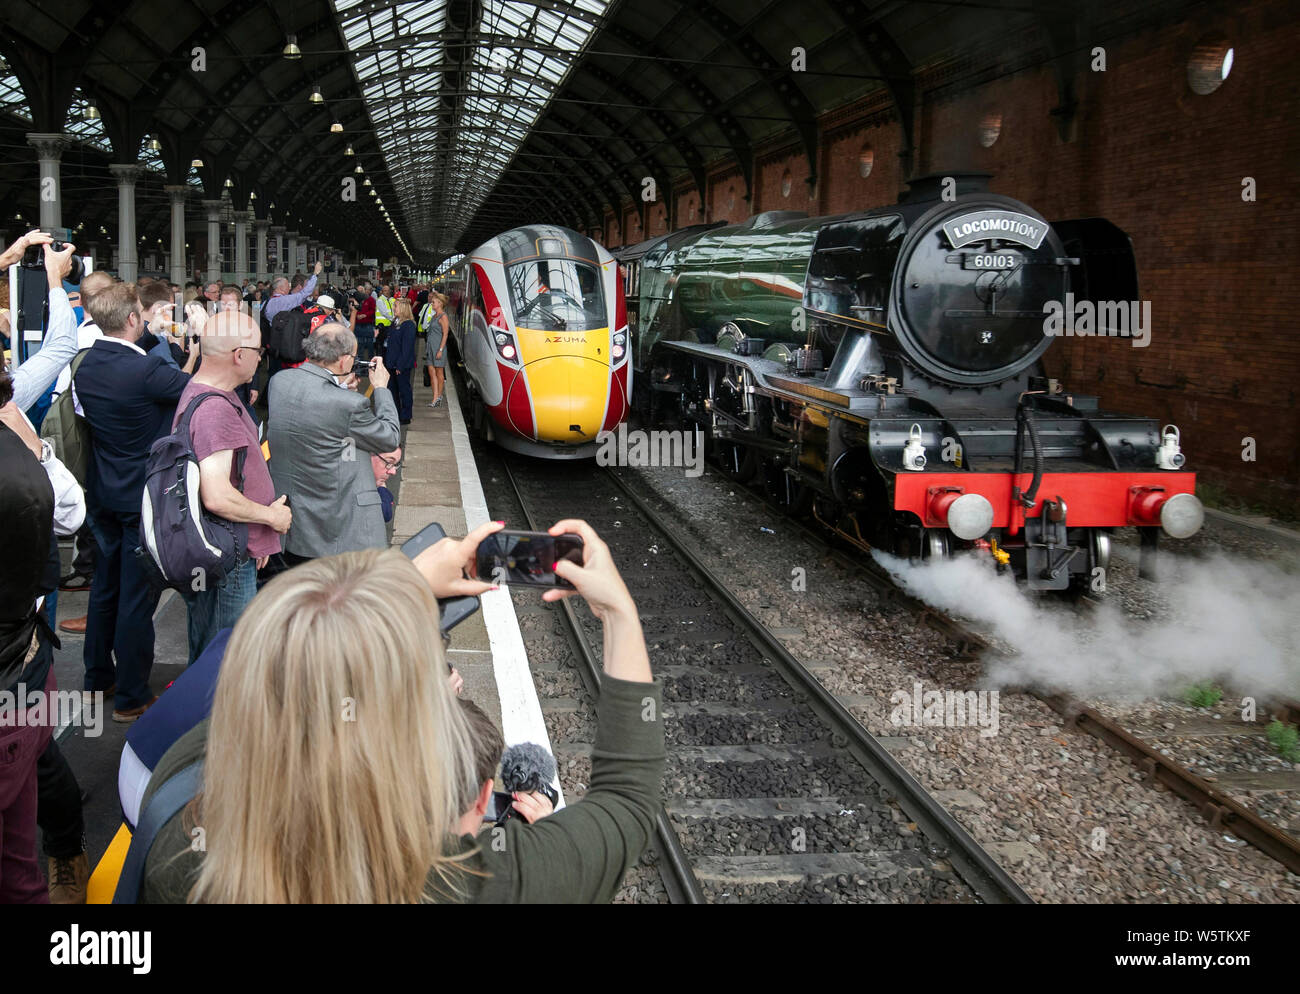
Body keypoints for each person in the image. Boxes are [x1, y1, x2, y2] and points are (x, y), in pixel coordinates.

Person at [137, 517, 660, 903]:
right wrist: (619, 612)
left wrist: (397, 585)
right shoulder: (462, 884)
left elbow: (295, 687)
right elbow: (628, 804)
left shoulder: (182, 821)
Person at [75, 282, 190, 722]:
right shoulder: (145, 371)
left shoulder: (85, 365)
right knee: (137, 596)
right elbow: (196, 388)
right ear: (132, 320)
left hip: (102, 489)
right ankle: (131, 696)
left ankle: (96, 680)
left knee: (105, 587)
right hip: (139, 494)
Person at [178, 312, 292, 665]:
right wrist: (270, 517)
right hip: (229, 555)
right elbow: (217, 495)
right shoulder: (216, 410)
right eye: (259, 350)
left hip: (231, 546)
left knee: (212, 640)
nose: (262, 357)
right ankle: (216, 717)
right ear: (239, 354)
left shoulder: (206, 393)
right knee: (227, 656)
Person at [267, 321, 398, 563]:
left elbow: (315, 410)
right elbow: (389, 437)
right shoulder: (348, 404)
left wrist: (338, 387)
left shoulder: (279, 382)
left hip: (294, 524)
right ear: (344, 360)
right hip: (338, 530)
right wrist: (380, 388)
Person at [386, 298, 416, 424]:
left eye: (396, 306)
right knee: (392, 390)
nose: (394, 308)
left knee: (404, 390)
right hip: (391, 363)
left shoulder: (408, 325)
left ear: (403, 308)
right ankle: (396, 413)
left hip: (400, 364)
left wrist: (400, 365)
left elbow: (407, 348)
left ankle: (405, 415)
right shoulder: (395, 322)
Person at [425, 292, 451, 409]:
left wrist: (440, 349)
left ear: (440, 303)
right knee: (431, 373)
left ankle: (439, 396)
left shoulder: (443, 317)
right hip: (430, 348)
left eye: (434, 302)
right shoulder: (434, 316)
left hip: (438, 348)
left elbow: (445, 334)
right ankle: (435, 397)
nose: (431, 303)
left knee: (439, 372)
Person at [353, 281, 376, 362]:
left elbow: (373, 310)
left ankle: (371, 359)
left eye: (361, 290)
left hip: (368, 324)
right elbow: (352, 310)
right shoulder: (355, 300)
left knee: (370, 343)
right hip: (358, 324)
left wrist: (365, 315)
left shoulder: (371, 299)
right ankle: (360, 360)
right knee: (360, 343)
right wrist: (356, 315)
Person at [374, 283, 395, 357]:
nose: (387, 292)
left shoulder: (389, 300)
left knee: (385, 345)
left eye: (388, 290)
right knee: (380, 345)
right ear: (382, 292)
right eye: (385, 290)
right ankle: (380, 360)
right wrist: (393, 319)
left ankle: (384, 358)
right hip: (381, 326)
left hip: (387, 326)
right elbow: (384, 312)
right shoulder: (380, 300)